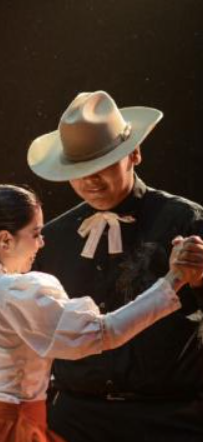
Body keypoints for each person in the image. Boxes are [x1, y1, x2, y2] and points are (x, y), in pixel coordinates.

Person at [0, 182, 203, 442]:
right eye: (35, 234)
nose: (41, 243)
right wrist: (173, 280)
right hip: (11, 428)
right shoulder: (16, 291)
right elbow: (105, 332)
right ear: (5, 240)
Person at [28, 91, 203, 441]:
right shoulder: (51, 237)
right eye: (79, 170)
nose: (90, 180)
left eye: (101, 165)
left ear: (134, 154)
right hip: (76, 418)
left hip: (170, 416)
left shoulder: (185, 219)